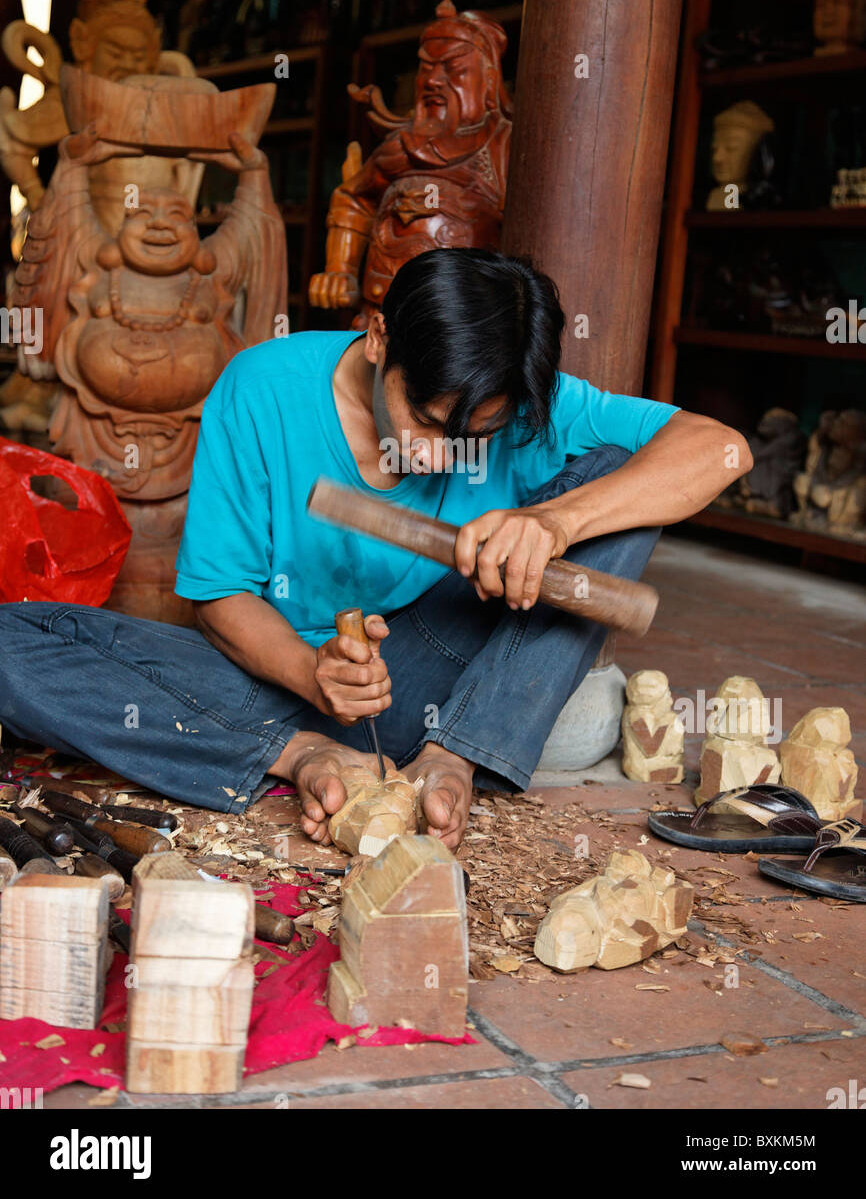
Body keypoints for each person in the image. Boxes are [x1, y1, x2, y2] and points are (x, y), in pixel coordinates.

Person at [0, 248, 751, 850]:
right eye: (424, 420)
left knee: (620, 479)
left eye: (469, 438)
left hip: (437, 671)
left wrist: (556, 522)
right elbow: (219, 597)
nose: (437, 456)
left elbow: (718, 450)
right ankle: (305, 759)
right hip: (277, 688)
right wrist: (312, 671)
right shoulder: (262, 387)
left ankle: (455, 757)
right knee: (12, 639)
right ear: (378, 337)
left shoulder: (515, 404)